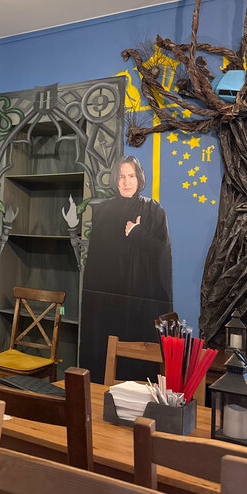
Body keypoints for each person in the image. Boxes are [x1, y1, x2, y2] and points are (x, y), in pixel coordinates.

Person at [78, 155, 172, 382]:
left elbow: (161, 252)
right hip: (109, 302)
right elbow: (96, 260)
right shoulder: (104, 211)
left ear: (139, 179)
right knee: (105, 355)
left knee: (137, 362)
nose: (126, 182)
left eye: (131, 176)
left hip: (140, 301)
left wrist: (138, 233)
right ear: (115, 179)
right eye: (121, 176)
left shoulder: (153, 210)